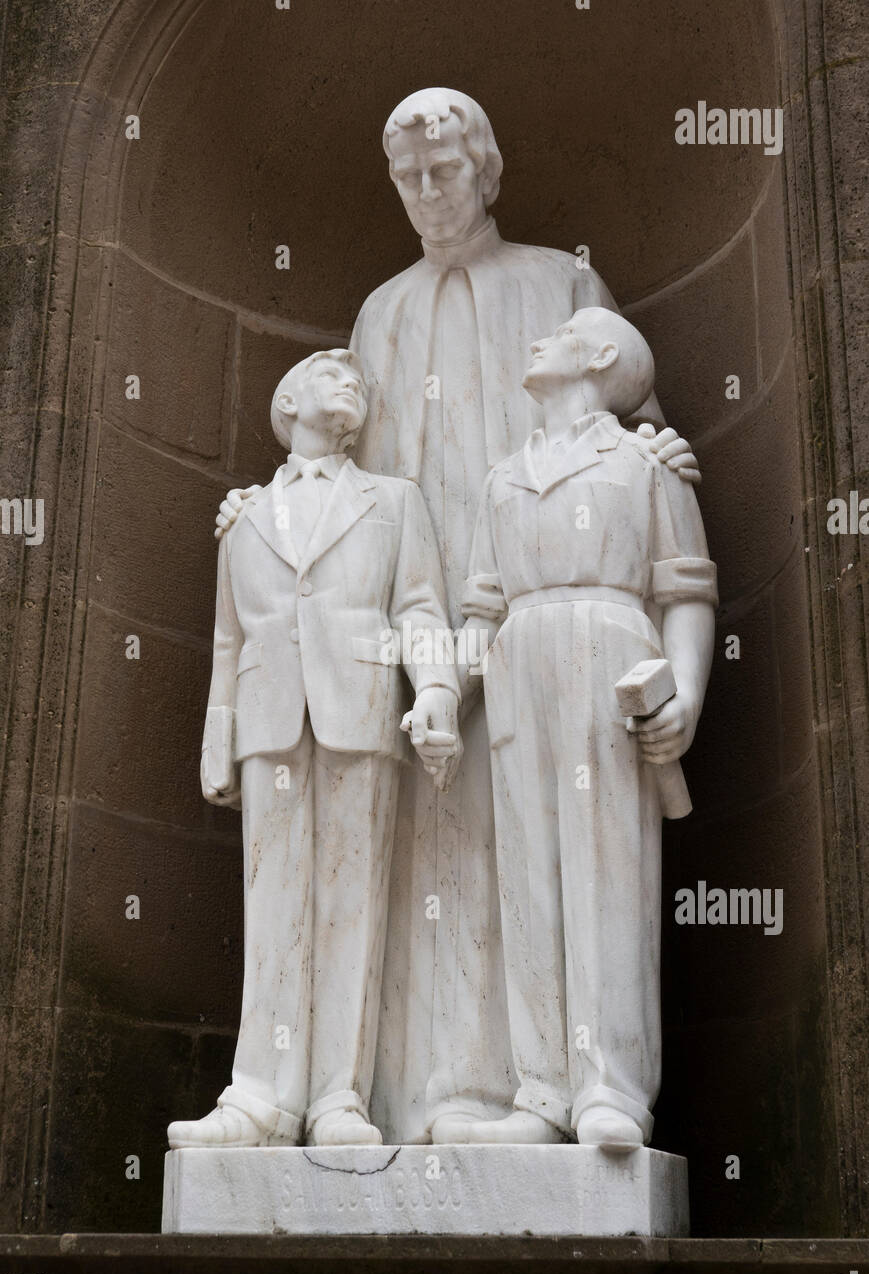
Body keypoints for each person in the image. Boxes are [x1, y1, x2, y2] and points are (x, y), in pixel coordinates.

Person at [214, 90, 704, 1145]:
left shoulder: (556, 280)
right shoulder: (378, 311)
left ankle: (551, 1086)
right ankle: (405, 1087)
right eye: (408, 178)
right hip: (414, 627)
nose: (428, 192)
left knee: (538, 846)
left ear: (486, 170)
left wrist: (659, 450)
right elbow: (342, 475)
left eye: (444, 171)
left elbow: (633, 411)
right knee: (414, 855)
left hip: (532, 610)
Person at [167, 349, 460, 1150]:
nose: (350, 383)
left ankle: (337, 1096)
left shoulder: (395, 501)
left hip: (360, 708)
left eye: (358, 381)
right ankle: (257, 1096)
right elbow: (229, 639)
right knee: (272, 907)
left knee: (350, 904)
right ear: (287, 397)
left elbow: (421, 609)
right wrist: (215, 742)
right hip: (268, 719)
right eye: (331, 373)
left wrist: (434, 690)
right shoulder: (246, 516)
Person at [457, 307, 717, 1147]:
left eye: (561, 330)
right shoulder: (501, 476)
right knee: (528, 877)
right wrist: (436, 690)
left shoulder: (646, 462)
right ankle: (539, 1088)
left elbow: (685, 591)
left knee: (608, 872)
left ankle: (611, 1085)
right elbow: (480, 607)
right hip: (519, 660)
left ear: (599, 354)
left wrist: (684, 696)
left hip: (609, 652)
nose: (535, 337)